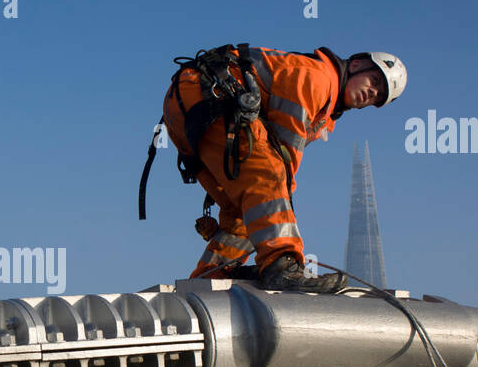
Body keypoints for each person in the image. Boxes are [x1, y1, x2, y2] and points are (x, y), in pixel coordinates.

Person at [140, 43, 406, 293]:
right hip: (207, 96)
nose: (371, 94)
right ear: (358, 64)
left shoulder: (324, 106)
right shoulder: (319, 78)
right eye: (375, 82)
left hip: (189, 108)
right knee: (268, 177)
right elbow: (283, 158)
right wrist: (284, 205)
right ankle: (282, 265)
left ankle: (211, 276)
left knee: (244, 213)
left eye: (378, 97)